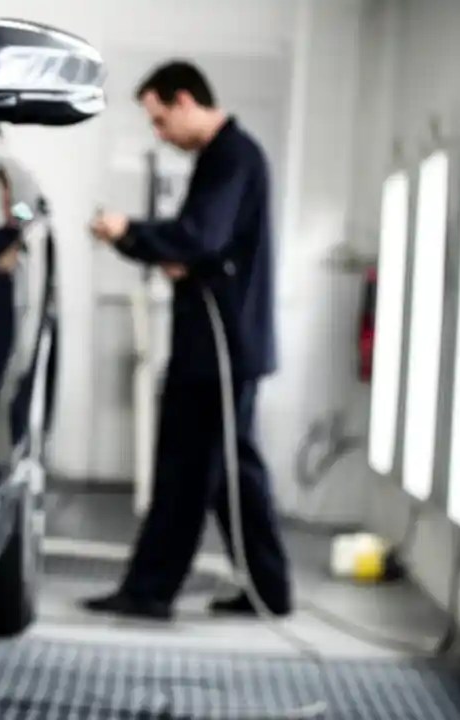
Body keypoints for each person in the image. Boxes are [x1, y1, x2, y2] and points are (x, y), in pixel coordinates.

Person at [83, 60, 293, 620]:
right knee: (226, 472)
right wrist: (170, 252)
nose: (159, 134)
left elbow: (199, 238)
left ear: (184, 101)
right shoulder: (227, 156)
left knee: (188, 469)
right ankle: (267, 590)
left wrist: (129, 232)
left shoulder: (231, 156)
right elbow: (201, 245)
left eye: (158, 120)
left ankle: (151, 591)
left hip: (219, 348)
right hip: (221, 343)